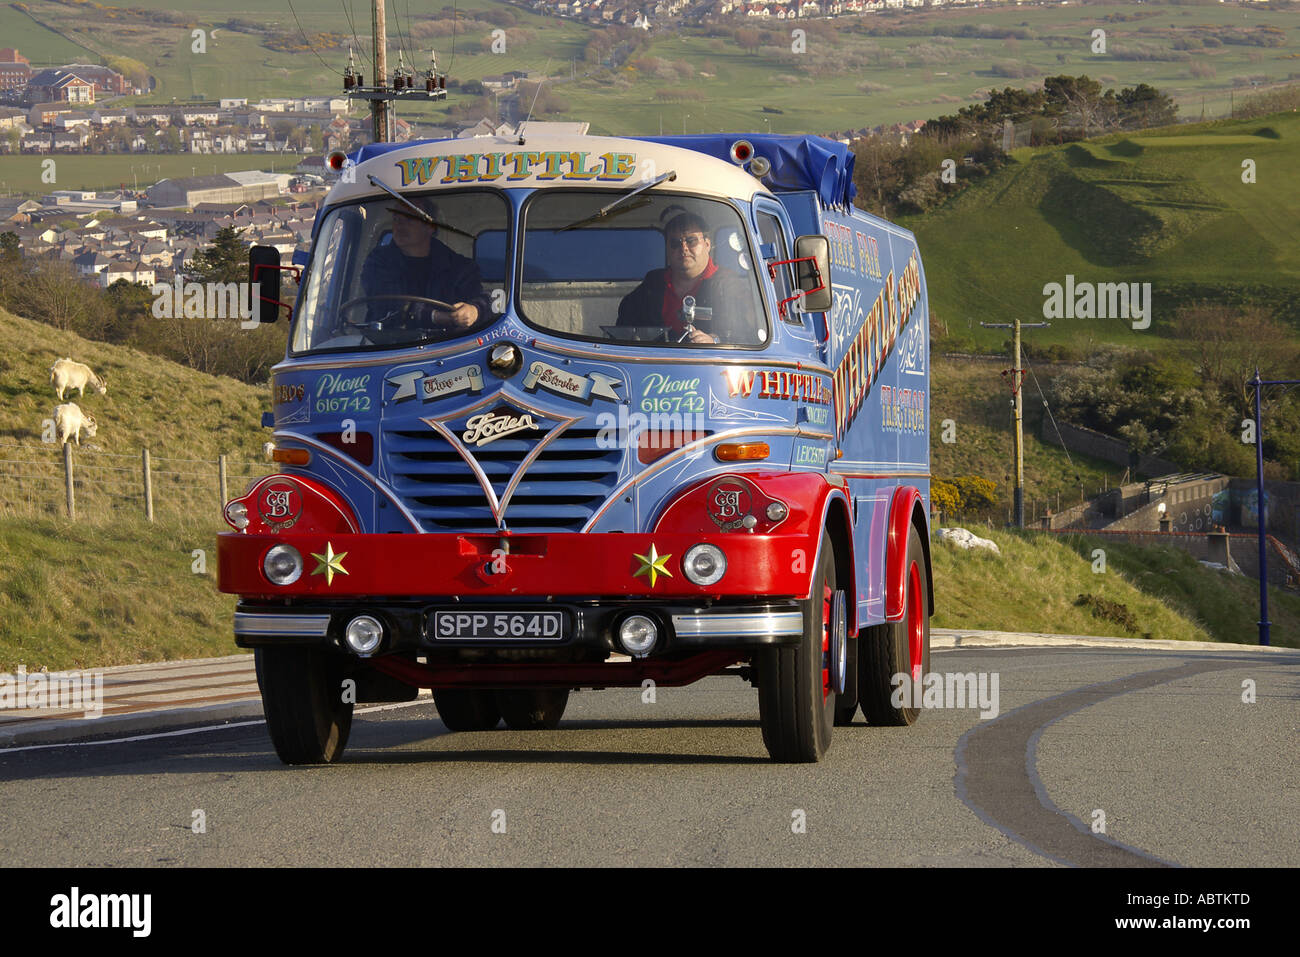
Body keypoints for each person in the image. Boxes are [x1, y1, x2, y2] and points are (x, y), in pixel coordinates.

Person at [359, 195, 492, 335]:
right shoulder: (378, 261)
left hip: (447, 348)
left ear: (430, 226)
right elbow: (387, 302)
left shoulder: (460, 267)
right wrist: (436, 317)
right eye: (396, 219)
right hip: (386, 346)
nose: (399, 225)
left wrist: (474, 310)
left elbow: (484, 300)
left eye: (409, 218)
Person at [617, 212, 749, 344]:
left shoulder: (728, 284)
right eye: (675, 243)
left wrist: (714, 340)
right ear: (667, 249)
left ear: (707, 245)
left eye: (691, 241)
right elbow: (624, 325)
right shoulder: (654, 281)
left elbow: (747, 334)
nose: (683, 248)